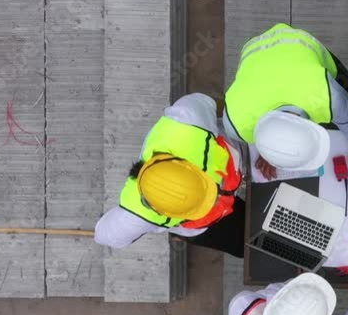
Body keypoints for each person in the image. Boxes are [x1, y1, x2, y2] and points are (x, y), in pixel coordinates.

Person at [95, 93, 249, 257]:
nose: (214, 201)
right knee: (253, 248)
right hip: (209, 224)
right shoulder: (137, 214)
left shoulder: (188, 122)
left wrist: (249, 129)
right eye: (202, 204)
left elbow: (212, 103)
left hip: (240, 156)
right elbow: (104, 235)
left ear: (188, 165)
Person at [224, 23, 348, 180]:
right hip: (254, 51)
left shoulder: (328, 96)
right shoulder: (235, 124)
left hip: (297, 43)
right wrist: (272, 151)